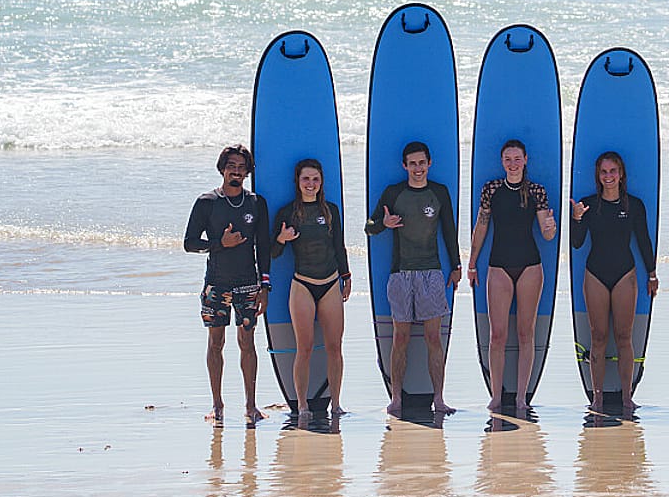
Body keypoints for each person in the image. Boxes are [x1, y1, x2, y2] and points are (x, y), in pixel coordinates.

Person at [365, 141, 462, 415]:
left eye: (422, 163)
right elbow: (369, 227)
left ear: (429, 164)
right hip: (400, 273)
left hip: (431, 272)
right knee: (401, 337)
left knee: (434, 337)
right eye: (412, 164)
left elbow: (449, 232)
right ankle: (396, 399)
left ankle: (439, 399)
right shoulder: (394, 193)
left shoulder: (439, 193)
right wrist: (383, 224)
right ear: (404, 166)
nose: (417, 168)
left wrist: (456, 265)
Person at [183, 144, 272, 428]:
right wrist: (221, 243)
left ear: (247, 172)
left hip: (248, 285)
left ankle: (251, 405)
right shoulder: (207, 202)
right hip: (216, 284)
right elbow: (190, 243)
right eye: (231, 165)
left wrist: (265, 286)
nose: (236, 170)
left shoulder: (256, 203)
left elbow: (264, 247)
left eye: (241, 166)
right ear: (222, 168)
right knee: (216, 343)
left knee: (248, 342)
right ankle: (218, 405)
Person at [467, 139, 557, 413]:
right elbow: (481, 227)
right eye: (508, 159)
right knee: (498, 335)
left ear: (526, 160)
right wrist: (471, 263)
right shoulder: (492, 189)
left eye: (517, 158)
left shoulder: (537, 191)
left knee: (525, 333)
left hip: (530, 265)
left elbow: (547, 234)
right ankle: (496, 396)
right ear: (502, 162)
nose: (513, 163)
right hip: (498, 266)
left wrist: (551, 226)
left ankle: (520, 397)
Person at [570, 151, 657, 412]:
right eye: (604, 172)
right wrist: (576, 219)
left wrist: (651, 274)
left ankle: (626, 397)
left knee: (623, 336)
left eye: (613, 171)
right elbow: (576, 243)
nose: (608, 176)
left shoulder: (634, 205)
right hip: (595, 273)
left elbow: (643, 241)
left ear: (621, 175)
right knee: (598, 336)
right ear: (598, 175)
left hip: (625, 274)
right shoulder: (587, 205)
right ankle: (596, 398)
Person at [271, 158, 351, 420]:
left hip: (330, 282)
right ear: (298, 181)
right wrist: (281, 240)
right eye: (306, 179)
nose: (311, 184)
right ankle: (302, 405)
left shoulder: (330, 210)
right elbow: (272, 252)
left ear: (321, 182)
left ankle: (336, 404)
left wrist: (346, 275)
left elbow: (339, 247)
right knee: (303, 347)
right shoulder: (288, 213)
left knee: (334, 347)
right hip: (302, 284)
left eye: (315, 179)